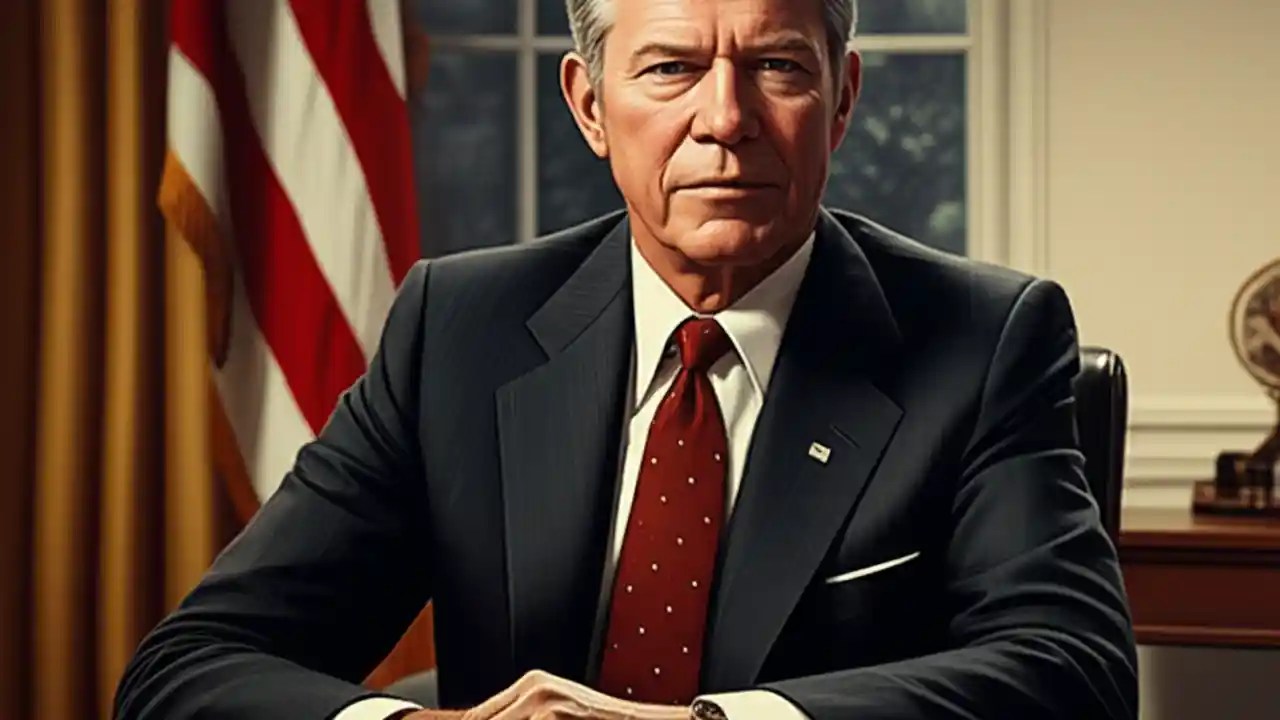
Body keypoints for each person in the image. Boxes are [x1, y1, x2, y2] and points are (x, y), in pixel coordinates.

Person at [114, 0, 1138, 718]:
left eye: (777, 66)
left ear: (841, 100)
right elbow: (192, 667)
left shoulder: (983, 341)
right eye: (670, 68)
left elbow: (1073, 672)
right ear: (590, 105)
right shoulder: (457, 330)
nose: (725, 120)